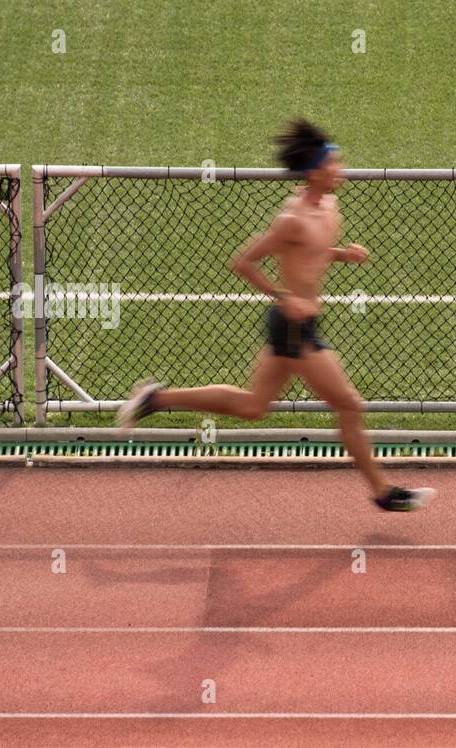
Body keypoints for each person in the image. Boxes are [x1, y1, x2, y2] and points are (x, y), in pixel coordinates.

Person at [117, 119, 435, 512]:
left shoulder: (329, 205)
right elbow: (244, 262)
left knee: (253, 406)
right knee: (350, 404)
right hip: (293, 326)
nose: (342, 169)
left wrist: (341, 255)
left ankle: (155, 398)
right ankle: (382, 491)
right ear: (315, 171)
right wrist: (284, 296)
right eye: (335, 163)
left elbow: (313, 250)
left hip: (298, 324)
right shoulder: (292, 219)